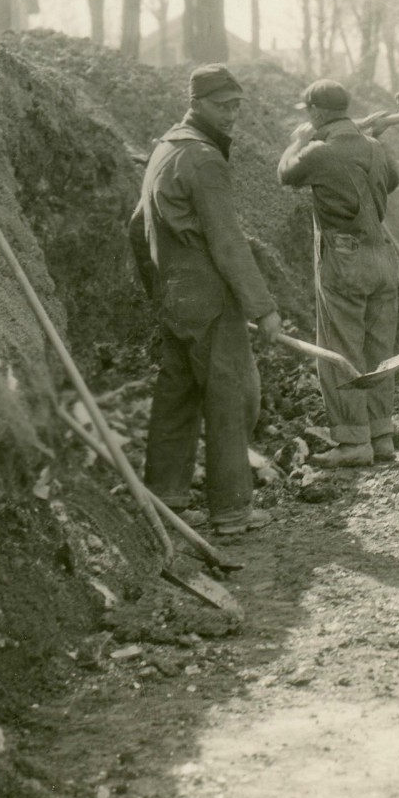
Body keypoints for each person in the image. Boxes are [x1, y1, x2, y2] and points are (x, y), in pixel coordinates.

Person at [130, 64, 283, 537]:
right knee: (227, 398)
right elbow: (228, 242)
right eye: (223, 106)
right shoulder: (204, 160)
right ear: (195, 103)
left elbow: (137, 227)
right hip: (209, 297)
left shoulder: (164, 149)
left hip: (175, 294)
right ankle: (232, 511)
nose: (232, 115)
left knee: (175, 394)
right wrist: (263, 307)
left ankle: (166, 497)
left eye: (237, 106)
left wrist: (158, 287)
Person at [277, 79, 399, 468]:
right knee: (379, 351)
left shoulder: (317, 151)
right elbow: (393, 180)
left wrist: (297, 140)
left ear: (316, 113)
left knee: (340, 349)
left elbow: (285, 174)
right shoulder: (377, 147)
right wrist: (365, 138)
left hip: (344, 258)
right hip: (383, 257)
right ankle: (381, 437)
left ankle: (352, 442)